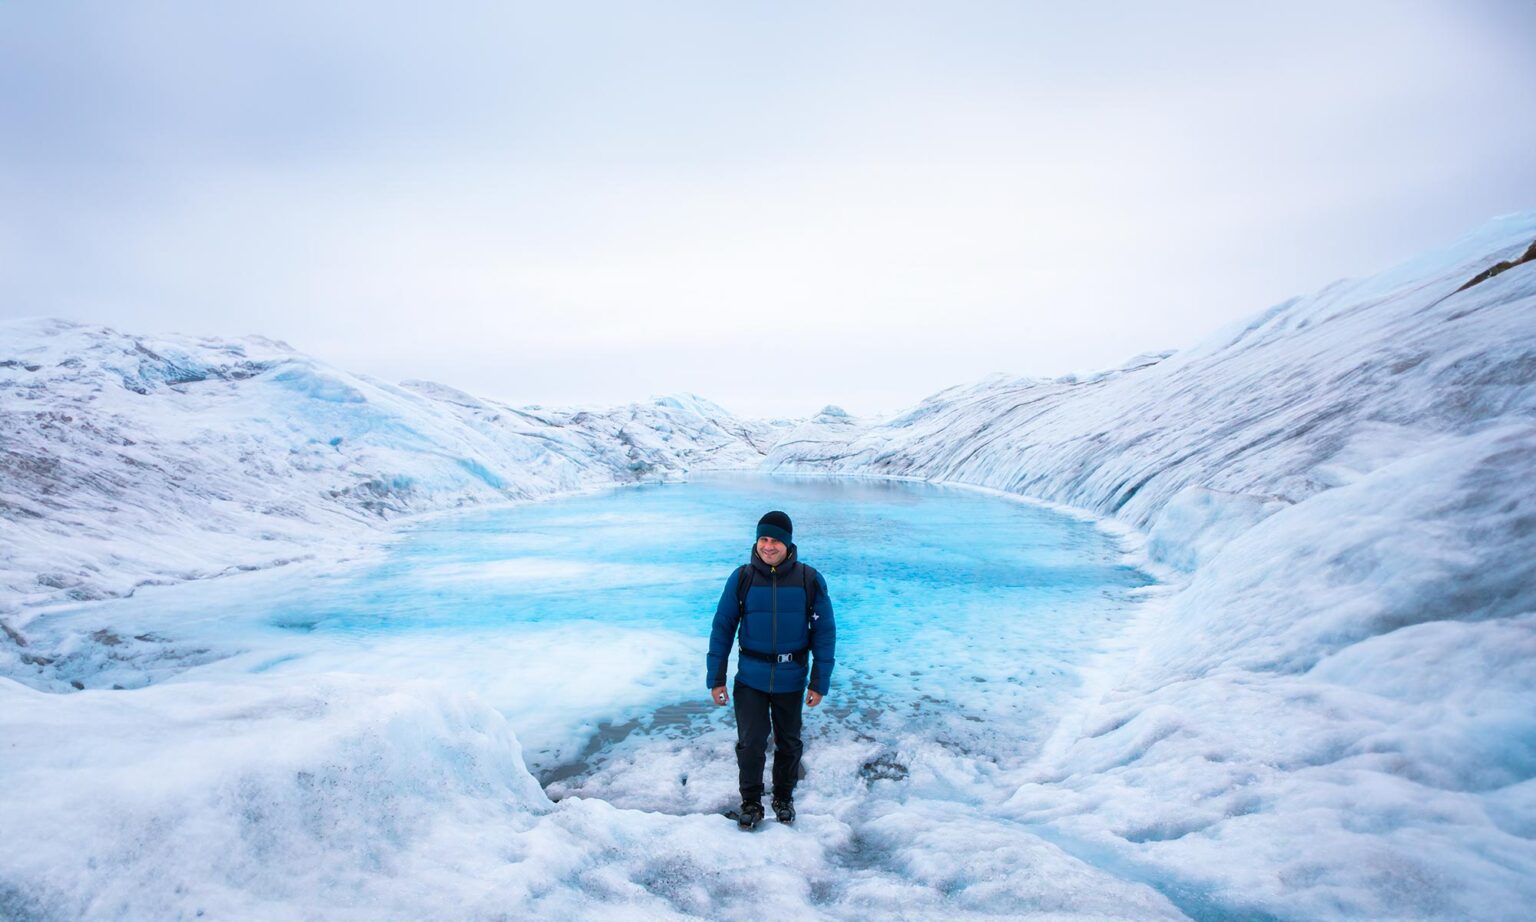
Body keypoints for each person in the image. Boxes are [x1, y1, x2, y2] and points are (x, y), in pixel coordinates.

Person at [707, 510, 836, 829]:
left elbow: (824, 632)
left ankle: (783, 797)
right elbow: (723, 627)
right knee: (750, 742)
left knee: (789, 742)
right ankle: (750, 801)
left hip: (792, 678)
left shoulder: (809, 579)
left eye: (775, 540)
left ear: (788, 544)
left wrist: (819, 681)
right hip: (750, 677)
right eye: (763, 539)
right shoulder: (742, 578)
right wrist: (716, 677)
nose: (768, 546)